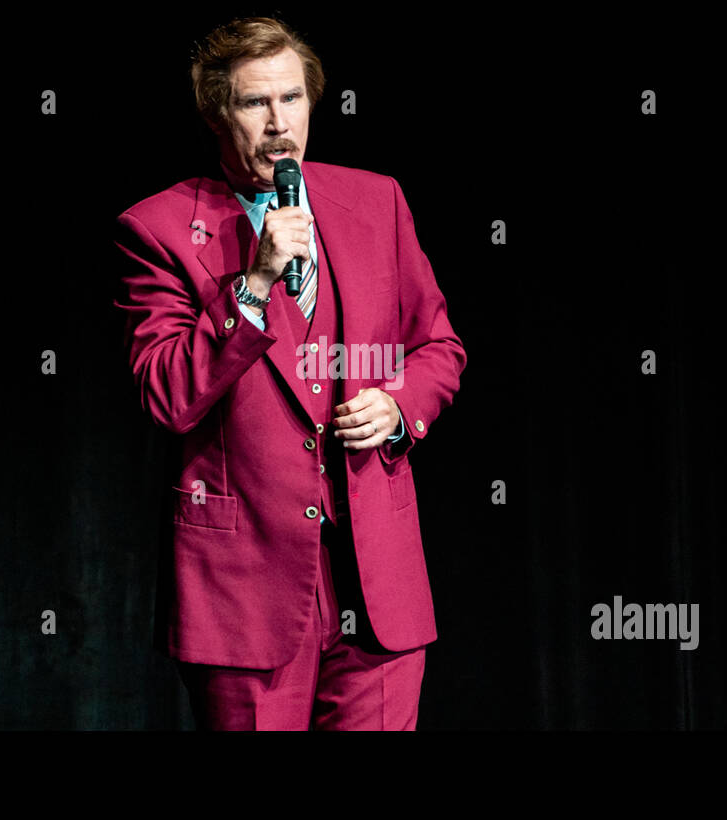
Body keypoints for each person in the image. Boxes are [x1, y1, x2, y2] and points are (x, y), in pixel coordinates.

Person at [113, 16, 465, 730]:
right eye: (254, 103)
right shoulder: (158, 229)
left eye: (293, 99)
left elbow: (438, 346)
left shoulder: (377, 201)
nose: (279, 123)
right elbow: (167, 396)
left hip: (376, 581)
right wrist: (253, 284)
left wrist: (399, 409)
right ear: (217, 114)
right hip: (247, 593)